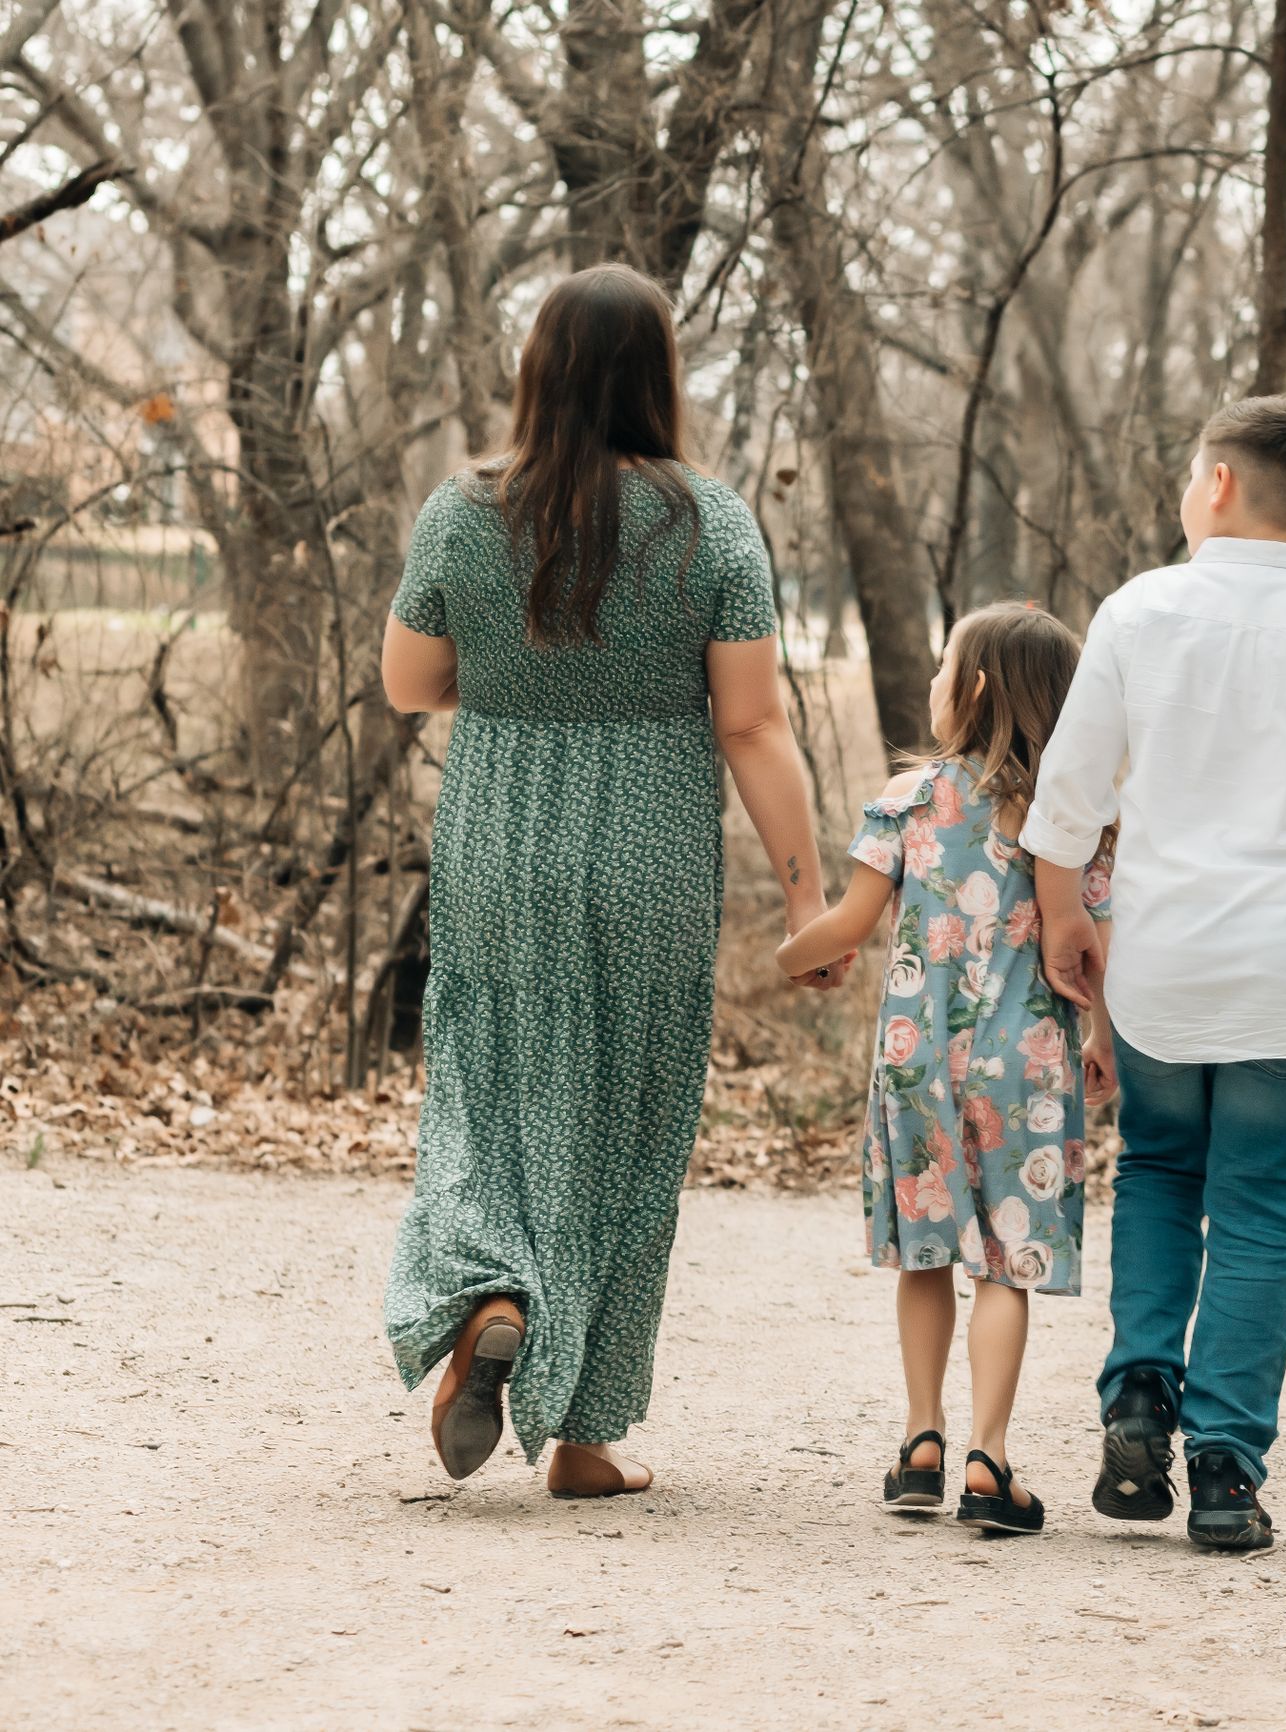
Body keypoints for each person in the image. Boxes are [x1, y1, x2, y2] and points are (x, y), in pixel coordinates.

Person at [379, 263, 836, 1499]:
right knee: (630, 1124)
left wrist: (514, 682)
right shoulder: (711, 524)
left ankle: (492, 1291)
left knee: (486, 1089)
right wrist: (807, 900)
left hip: (499, 842)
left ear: (537, 371)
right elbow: (753, 725)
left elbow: (409, 683)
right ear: (659, 377)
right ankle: (584, 1435)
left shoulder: (461, 513)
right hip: (651, 851)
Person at [1020, 397, 1286, 1553]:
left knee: (1161, 1170)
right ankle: (1222, 1464)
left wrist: (1064, 915)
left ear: (1215, 483)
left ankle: (1138, 1391)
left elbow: (1069, 794)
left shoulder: (1140, 611)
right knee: (1261, 1206)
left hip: (1161, 955)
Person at [775, 603, 1115, 1537]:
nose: (931, 683)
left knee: (925, 1253)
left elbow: (848, 925)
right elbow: (1096, 947)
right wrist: (1105, 1043)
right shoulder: (1070, 817)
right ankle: (986, 1459)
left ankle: (919, 1442)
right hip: (1025, 1070)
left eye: (941, 667)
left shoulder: (909, 800)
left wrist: (791, 958)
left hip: (916, 1061)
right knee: (1003, 1265)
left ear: (972, 689)